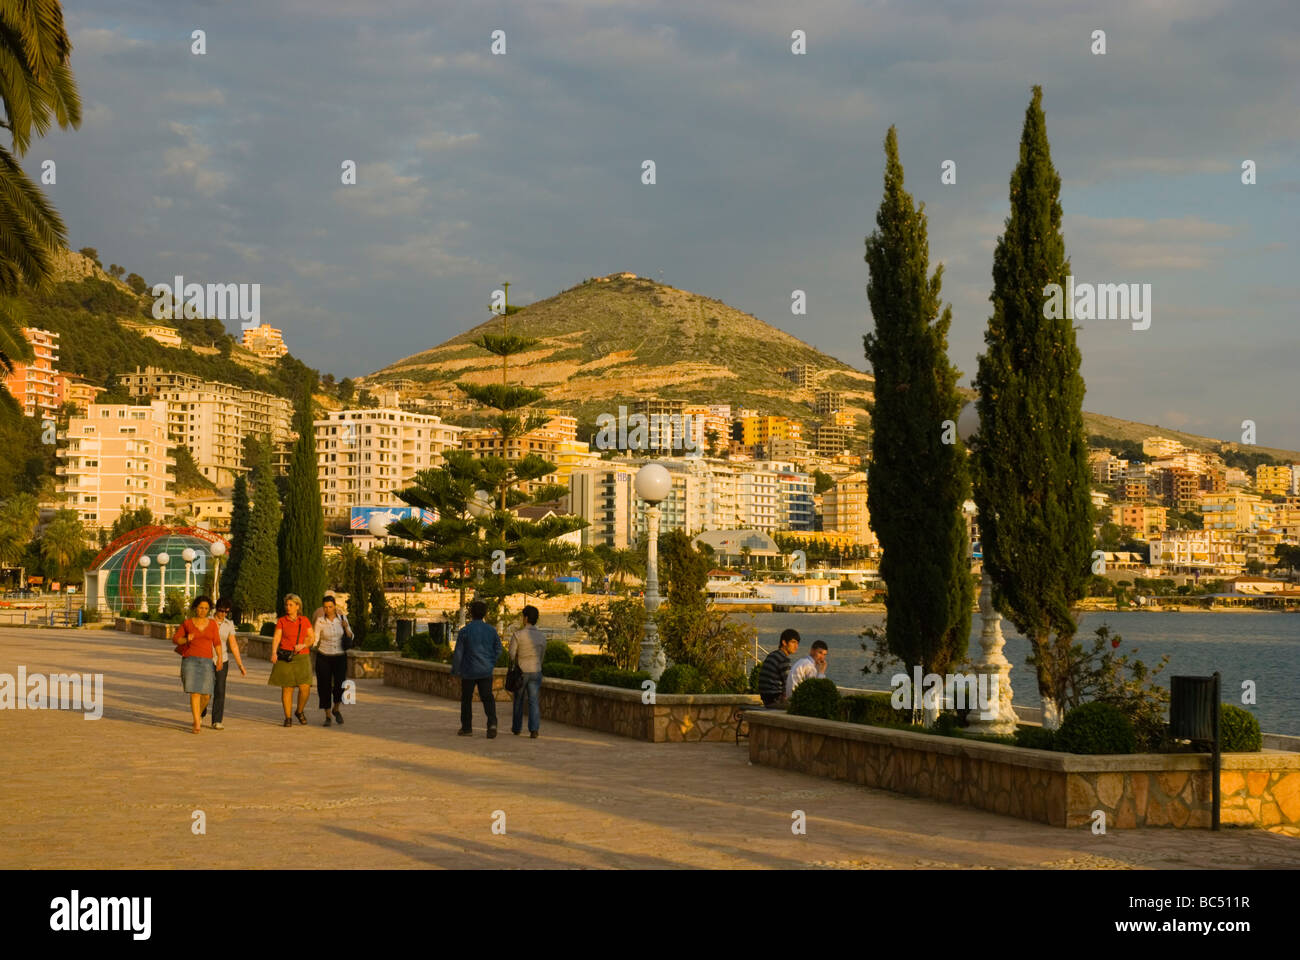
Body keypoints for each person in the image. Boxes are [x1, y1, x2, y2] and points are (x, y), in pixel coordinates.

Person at [451, 599, 503, 737]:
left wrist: (455, 671)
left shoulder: (465, 631)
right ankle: (492, 724)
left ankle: (467, 728)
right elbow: (499, 649)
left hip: (468, 670)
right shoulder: (491, 630)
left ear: (471, 614)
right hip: (485, 670)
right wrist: (491, 661)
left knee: (466, 699)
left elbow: (458, 653)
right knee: (487, 698)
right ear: (485, 613)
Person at [172, 596, 220, 734]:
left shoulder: (212, 624)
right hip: (190, 660)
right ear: (195, 608)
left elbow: (217, 642)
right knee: (195, 692)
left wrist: (219, 659)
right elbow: (176, 639)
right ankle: (197, 722)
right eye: (200, 608)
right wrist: (187, 639)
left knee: (207, 694)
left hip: (207, 661)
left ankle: (198, 714)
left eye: (206, 608)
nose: (203, 611)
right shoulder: (187, 623)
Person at [268, 594, 316, 727]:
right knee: (287, 688)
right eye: (286, 605)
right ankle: (288, 717)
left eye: (290, 605)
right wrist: (273, 652)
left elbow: (312, 638)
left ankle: (299, 711)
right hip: (285, 656)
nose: (288, 607)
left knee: (305, 687)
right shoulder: (282, 621)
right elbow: (277, 638)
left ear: (297, 606)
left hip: (302, 656)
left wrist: (303, 645)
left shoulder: (304, 620)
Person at [313, 595, 353, 726]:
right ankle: (328, 715)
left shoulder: (342, 618)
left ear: (335, 606)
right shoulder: (320, 621)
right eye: (325, 607)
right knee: (324, 686)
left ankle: (336, 708)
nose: (328, 609)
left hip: (340, 656)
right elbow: (315, 639)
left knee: (340, 684)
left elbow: (351, 636)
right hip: (324, 656)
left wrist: (346, 627)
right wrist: (307, 645)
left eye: (330, 606)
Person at [509, 605, 547, 738]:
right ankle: (534, 729)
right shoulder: (542, 637)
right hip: (536, 670)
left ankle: (517, 727)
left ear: (525, 618)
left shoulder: (518, 635)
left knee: (518, 700)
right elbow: (542, 655)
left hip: (521, 671)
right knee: (533, 701)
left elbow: (512, 655)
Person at [210, 598, 246, 729]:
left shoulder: (229, 624)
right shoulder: (208, 621)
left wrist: (240, 665)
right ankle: (201, 714)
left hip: (222, 659)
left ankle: (217, 720)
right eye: (221, 611)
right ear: (216, 609)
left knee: (219, 690)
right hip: (206, 658)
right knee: (205, 690)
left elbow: (233, 645)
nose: (223, 614)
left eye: (226, 612)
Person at [758, 628, 800, 708]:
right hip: (775, 700)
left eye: (797, 643)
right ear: (784, 642)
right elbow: (789, 683)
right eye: (793, 642)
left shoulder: (773, 655)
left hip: (767, 699)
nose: (796, 646)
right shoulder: (783, 659)